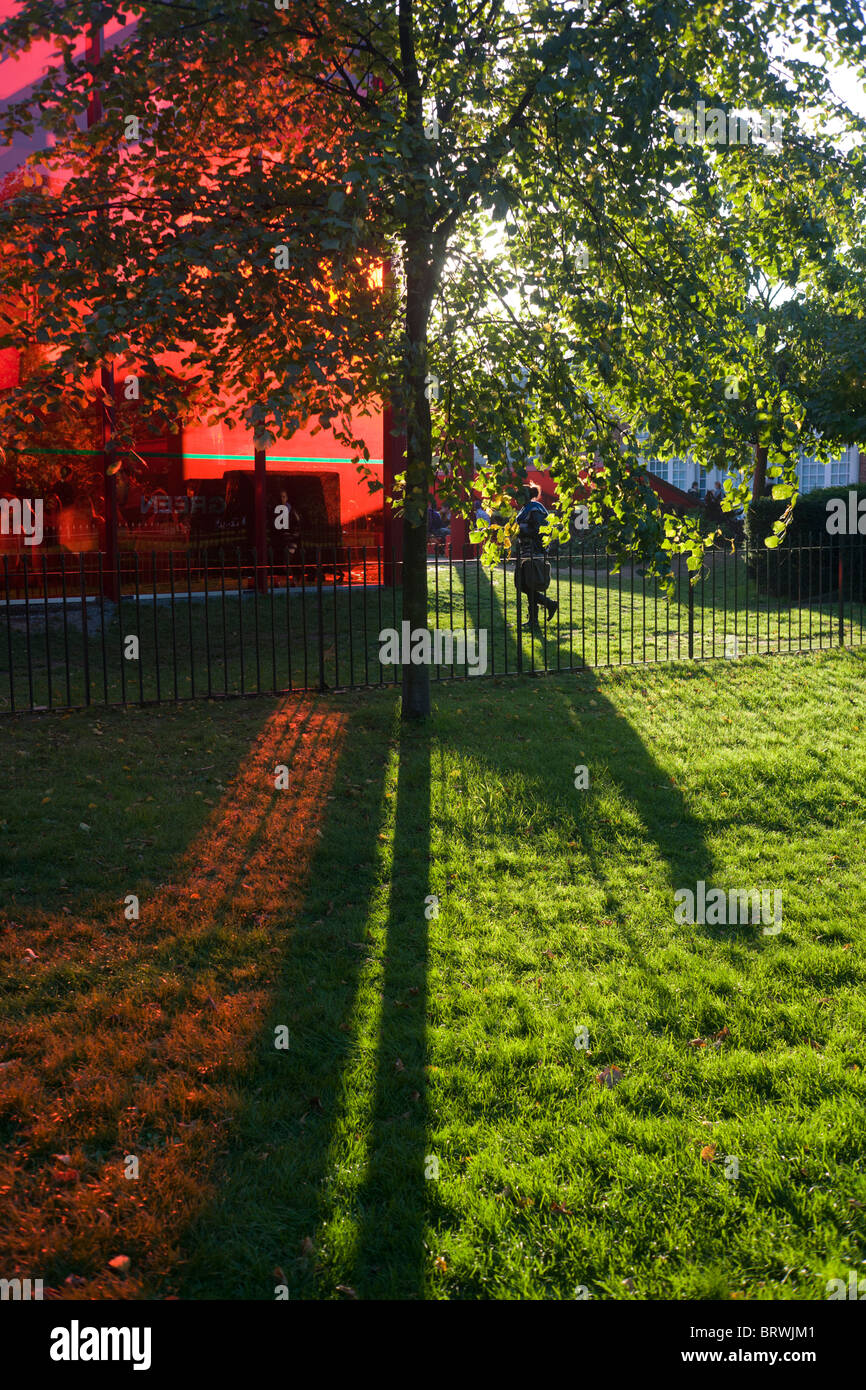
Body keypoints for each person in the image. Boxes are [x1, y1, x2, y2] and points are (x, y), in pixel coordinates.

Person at [514, 483, 557, 632]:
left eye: (519, 495)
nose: (516, 498)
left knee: (528, 584)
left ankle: (535, 620)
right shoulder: (526, 508)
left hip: (535, 551)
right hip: (526, 552)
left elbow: (539, 529)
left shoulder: (535, 508)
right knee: (523, 584)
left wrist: (520, 531)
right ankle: (547, 606)